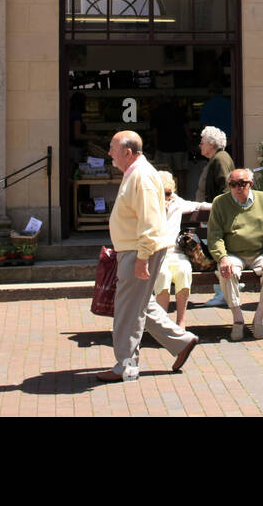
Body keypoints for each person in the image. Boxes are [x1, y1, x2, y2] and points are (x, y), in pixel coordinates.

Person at [97, 130, 198, 382]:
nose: (109, 153)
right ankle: (181, 341)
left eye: (112, 148)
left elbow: (150, 220)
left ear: (128, 152)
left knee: (128, 309)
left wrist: (142, 257)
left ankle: (126, 365)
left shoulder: (140, 175)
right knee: (140, 304)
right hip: (136, 249)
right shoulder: (136, 173)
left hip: (139, 250)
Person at [208, 168, 263, 340]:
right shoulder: (220, 202)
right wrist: (222, 257)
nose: (238, 188)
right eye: (233, 184)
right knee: (226, 272)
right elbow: (214, 235)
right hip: (233, 254)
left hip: (260, 252)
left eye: (242, 183)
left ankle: (259, 317)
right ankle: (238, 318)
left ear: (250, 184)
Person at [153, 171, 211, 328]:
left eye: (169, 193)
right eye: (162, 194)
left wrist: (218, 205)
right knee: (163, 274)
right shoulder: (147, 206)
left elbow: (197, 205)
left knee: (184, 270)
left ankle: (181, 321)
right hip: (156, 254)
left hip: (175, 253)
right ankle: (162, 324)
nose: (167, 198)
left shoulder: (176, 202)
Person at [196, 126, 234, 307]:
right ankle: (225, 290)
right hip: (214, 216)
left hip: (216, 218)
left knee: (218, 252)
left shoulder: (220, 160)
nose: (200, 145)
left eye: (202, 142)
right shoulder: (218, 159)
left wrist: (216, 214)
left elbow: (225, 190)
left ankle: (223, 292)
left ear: (211, 144)